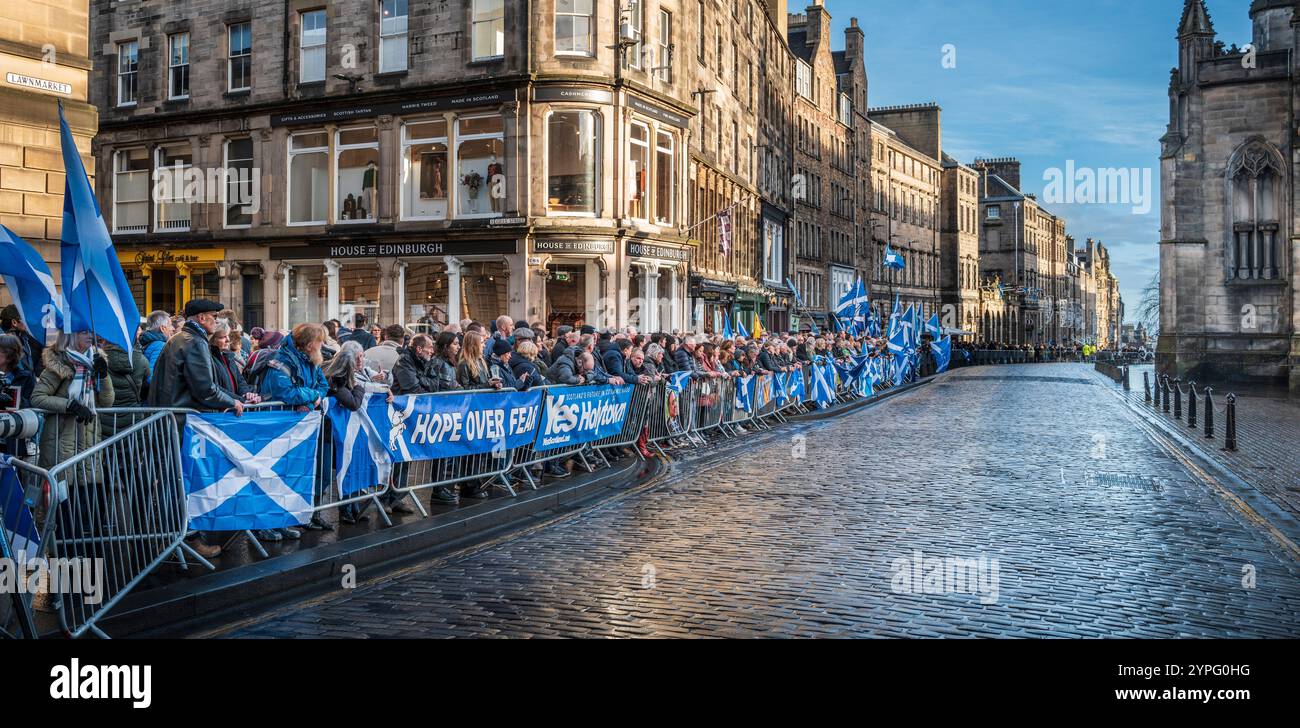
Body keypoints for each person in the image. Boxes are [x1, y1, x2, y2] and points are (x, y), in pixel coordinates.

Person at [258, 323, 329, 541]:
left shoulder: (312, 361)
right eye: (320, 341)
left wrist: (310, 401)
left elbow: (323, 386)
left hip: (299, 427)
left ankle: (282, 521)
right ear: (309, 344)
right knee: (271, 475)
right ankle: (265, 524)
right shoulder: (281, 359)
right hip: (276, 426)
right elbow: (285, 392)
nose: (322, 345)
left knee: (289, 475)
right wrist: (312, 396)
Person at [390, 334, 457, 506]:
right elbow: (412, 387)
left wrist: (423, 382)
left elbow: (436, 384)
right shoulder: (404, 361)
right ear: (419, 349)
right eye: (429, 348)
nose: (432, 351)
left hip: (415, 415)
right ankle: (389, 498)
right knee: (400, 458)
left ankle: (397, 498)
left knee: (408, 458)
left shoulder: (427, 361)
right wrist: (424, 384)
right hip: (401, 415)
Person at [31, 330, 113, 469]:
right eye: (84, 332)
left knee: (86, 488)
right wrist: (70, 405)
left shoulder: (95, 361)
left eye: (91, 332)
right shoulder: (59, 364)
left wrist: (104, 376)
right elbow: (37, 398)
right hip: (61, 438)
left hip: (89, 438)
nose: (90, 336)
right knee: (63, 486)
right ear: (71, 336)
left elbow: (107, 402)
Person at [323, 340, 371, 526]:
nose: (363, 360)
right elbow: (352, 402)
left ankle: (352, 506)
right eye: (360, 357)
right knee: (332, 472)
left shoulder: (354, 373)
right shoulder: (336, 376)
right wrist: (360, 388)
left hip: (346, 430)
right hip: (331, 431)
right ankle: (344, 509)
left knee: (351, 466)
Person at [0, 304, 44, 379]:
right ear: (14, 322)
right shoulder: (4, 343)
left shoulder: (25, 337)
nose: (29, 321)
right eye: (25, 318)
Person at [137, 310, 174, 381]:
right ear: (162, 328)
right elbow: (151, 377)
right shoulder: (160, 346)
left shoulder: (146, 341)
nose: (173, 328)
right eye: (170, 325)